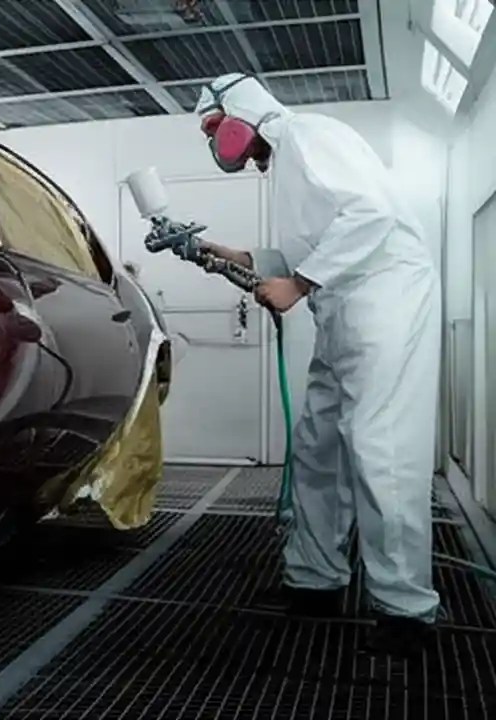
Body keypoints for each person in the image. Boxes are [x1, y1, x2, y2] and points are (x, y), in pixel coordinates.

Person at [189, 73, 442, 655]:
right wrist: (238, 256)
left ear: (238, 117)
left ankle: (406, 612)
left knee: (380, 448)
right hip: (343, 310)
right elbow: (308, 246)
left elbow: (371, 216)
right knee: (317, 444)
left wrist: (299, 284)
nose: (221, 146)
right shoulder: (286, 167)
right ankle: (316, 580)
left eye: (214, 131)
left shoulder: (307, 135)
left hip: (384, 301)